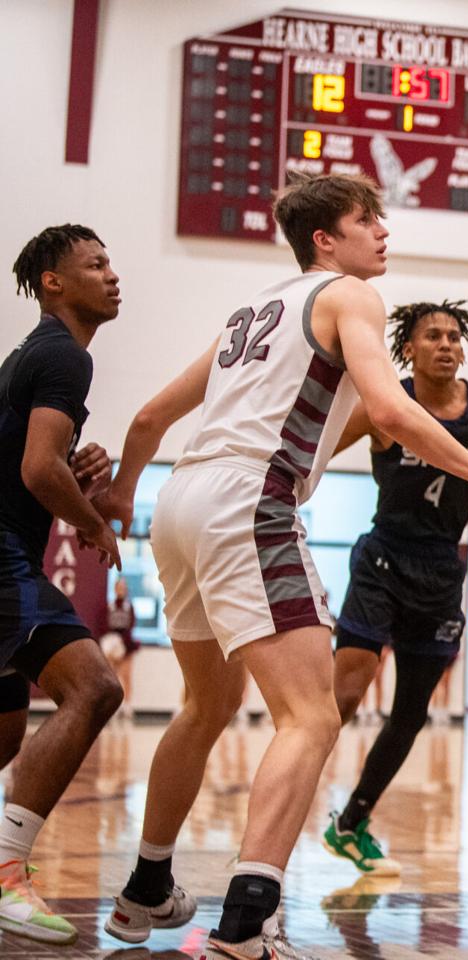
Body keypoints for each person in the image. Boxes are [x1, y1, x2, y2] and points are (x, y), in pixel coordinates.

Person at [100, 174, 468, 959]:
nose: (384, 233)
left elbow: (149, 417)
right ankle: (248, 922)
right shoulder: (350, 297)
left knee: (205, 705)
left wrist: (123, 496)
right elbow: (393, 411)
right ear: (327, 240)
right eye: (370, 220)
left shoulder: (249, 311)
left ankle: (146, 891)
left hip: (182, 498)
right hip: (248, 500)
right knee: (313, 715)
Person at [322, 298, 468, 876]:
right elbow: (316, 451)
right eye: (433, 336)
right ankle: (280, 808)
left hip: (441, 572)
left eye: (454, 336)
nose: (446, 344)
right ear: (409, 349)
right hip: (383, 560)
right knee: (344, 697)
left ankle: (352, 822)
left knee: (411, 714)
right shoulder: (386, 405)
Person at [0, 224, 125, 946]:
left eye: (112, 264)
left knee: (6, 733)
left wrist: (77, 462)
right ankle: (8, 874)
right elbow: (36, 470)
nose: (113, 276)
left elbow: (40, 455)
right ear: (54, 282)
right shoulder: (62, 356)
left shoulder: (37, 355)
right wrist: (92, 523)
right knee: (95, 689)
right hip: (3, 556)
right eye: (96, 264)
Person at [101, 576, 140, 721]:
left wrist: (124, 643)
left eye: (123, 587)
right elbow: (104, 625)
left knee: (126, 676)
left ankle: (127, 706)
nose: (121, 590)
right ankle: (113, 707)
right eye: (119, 587)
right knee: (113, 677)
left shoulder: (129, 607)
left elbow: (131, 625)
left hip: (126, 644)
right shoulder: (109, 607)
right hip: (112, 644)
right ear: (115, 589)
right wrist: (113, 644)